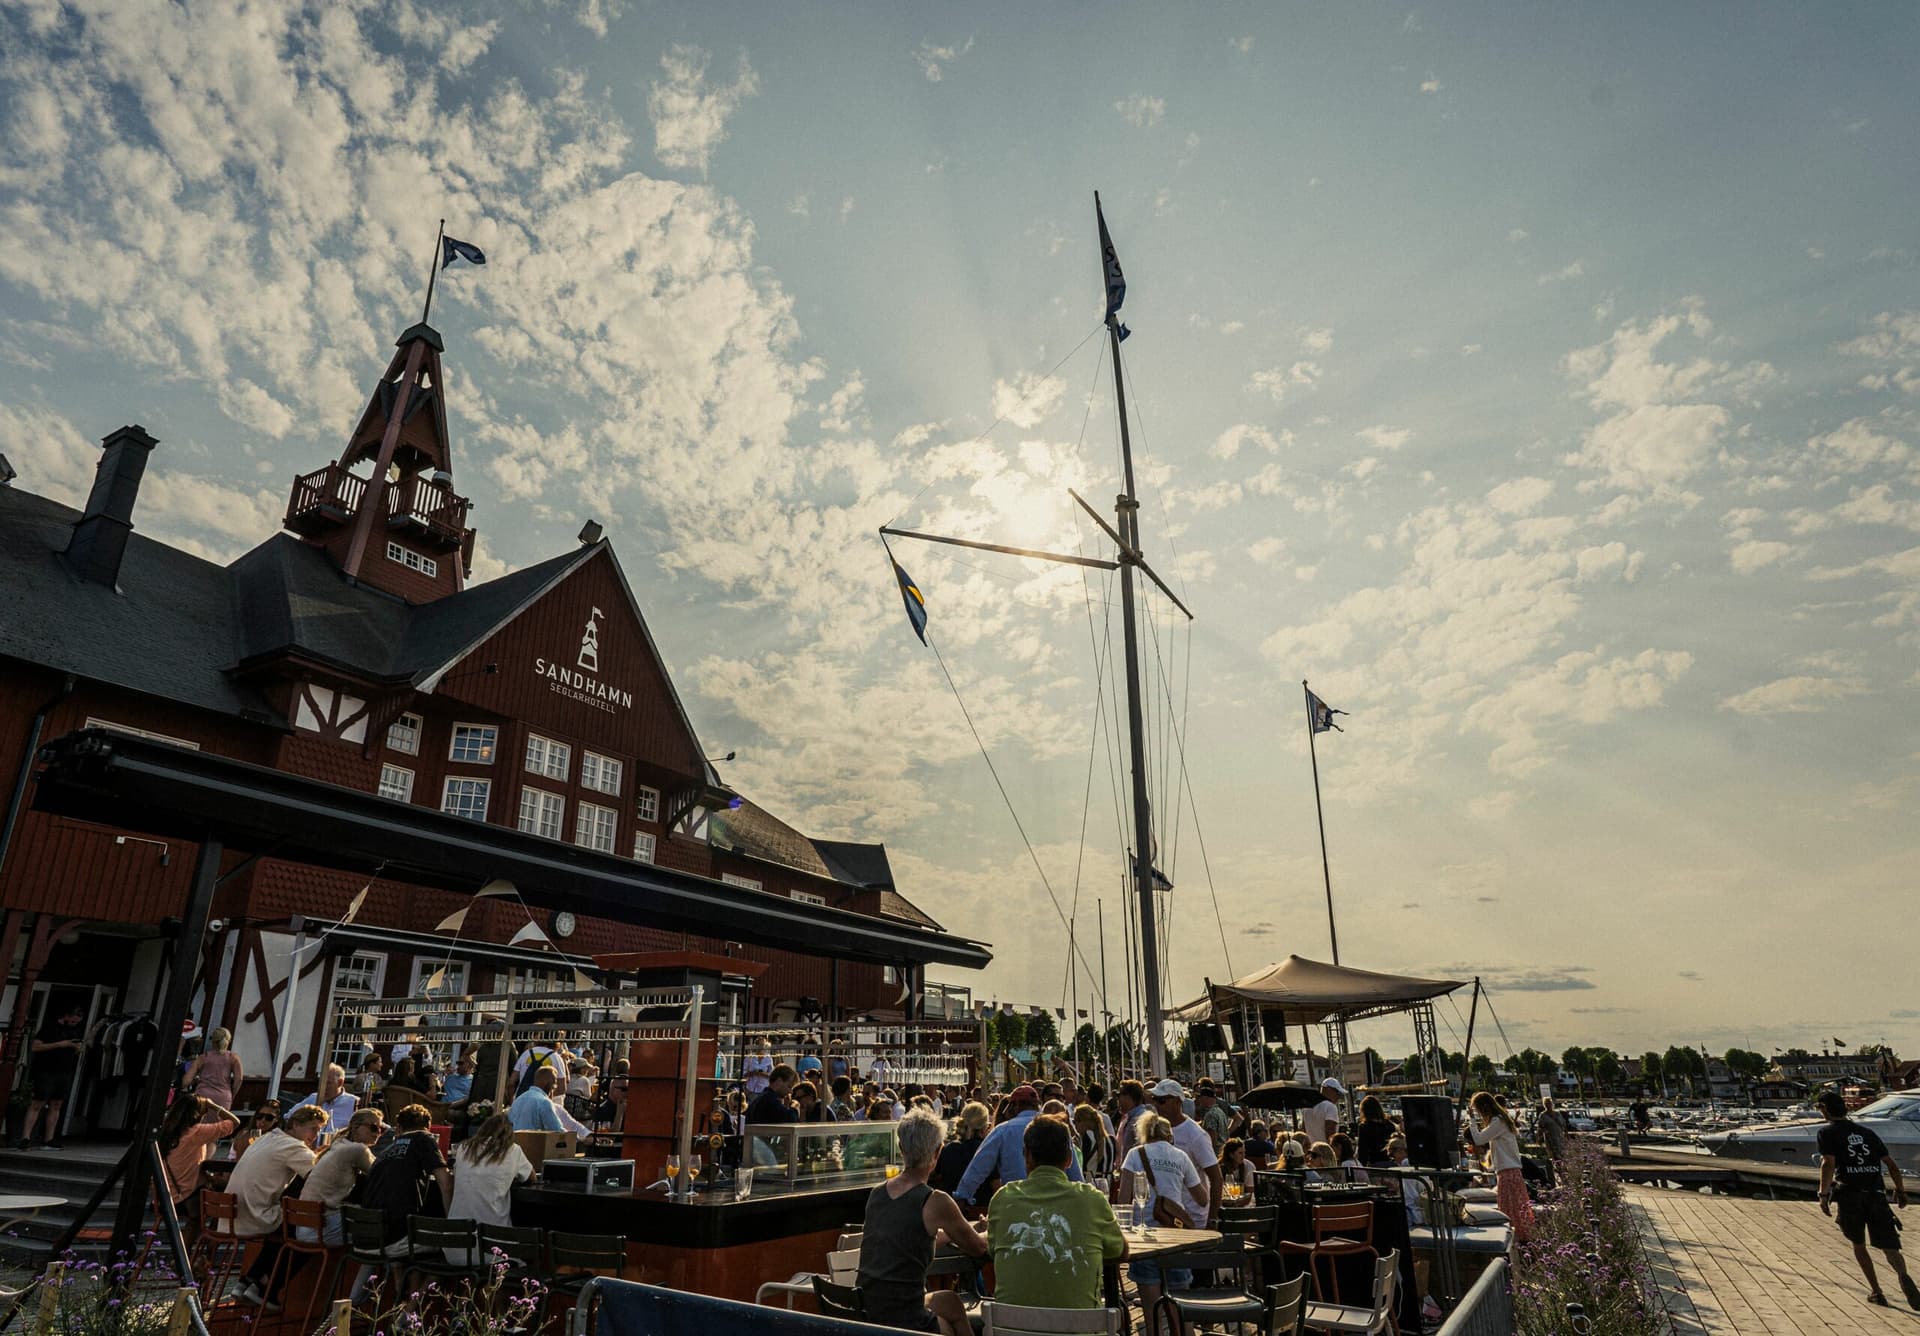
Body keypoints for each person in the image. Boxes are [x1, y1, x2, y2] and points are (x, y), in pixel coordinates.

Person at [857, 1108, 989, 1335]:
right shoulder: (936, 1201)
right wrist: (990, 1230)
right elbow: (977, 1247)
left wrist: (970, 1228)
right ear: (938, 1152)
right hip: (905, 1316)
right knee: (946, 1324)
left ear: (901, 1148)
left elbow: (910, 1236)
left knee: (951, 1302)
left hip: (870, 1309)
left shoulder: (877, 1193)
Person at [991, 1112, 1128, 1309]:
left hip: (1011, 1329)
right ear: (1070, 1159)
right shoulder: (1091, 1199)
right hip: (1082, 1330)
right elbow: (1121, 1252)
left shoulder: (1004, 1199)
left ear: (1027, 1155)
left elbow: (990, 1247)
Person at [1816, 1087, 1920, 1309]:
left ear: (1825, 1109)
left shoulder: (1827, 1133)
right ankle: (1903, 1275)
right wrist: (1901, 1191)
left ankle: (1877, 1291)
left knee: (1859, 1243)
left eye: (1819, 1107)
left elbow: (1828, 1163)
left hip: (1850, 1195)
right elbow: (1891, 1165)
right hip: (1876, 1195)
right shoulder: (1867, 1133)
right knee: (1889, 1245)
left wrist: (1823, 1194)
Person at [228, 1104, 326, 1311]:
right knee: (305, 1232)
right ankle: (267, 1287)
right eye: (313, 1129)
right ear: (296, 1125)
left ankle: (249, 1280)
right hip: (255, 1215)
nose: (316, 1134)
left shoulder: (268, 1137)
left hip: (231, 1212)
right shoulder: (293, 1147)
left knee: (288, 1222)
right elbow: (320, 1175)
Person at [1120, 1113, 1207, 1317]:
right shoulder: (1180, 1156)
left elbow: (1123, 1199)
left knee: (1151, 1312)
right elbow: (1202, 1198)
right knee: (1181, 1312)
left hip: (1145, 1238)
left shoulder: (1135, 1154)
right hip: (1175, 1236)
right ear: (1170, 1135)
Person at [954, 1085, 1084, 1209]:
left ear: (1015, 1105)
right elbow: (1075, 1173)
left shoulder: (1003, 1130)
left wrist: (963, 1195)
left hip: (1015, 1203)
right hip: (1055, 1203)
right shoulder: (1056, 1128)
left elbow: (979, 1166)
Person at [445, 1113, 533, 1263]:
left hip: (454, 1247)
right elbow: (531, 1177)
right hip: (493, 1250)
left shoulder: (463, 1148)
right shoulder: (512, 1150)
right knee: (525, 1258)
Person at [361, 1103, 452, 1245]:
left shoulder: (386, 1151)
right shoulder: (424, 1138)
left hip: (367, 1237)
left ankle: (393, 1265)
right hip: (399, 1237)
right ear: (428, 1127)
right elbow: (446, 1183)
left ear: (399, 1128)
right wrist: (451, 1222)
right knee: (445, 1246)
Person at [299, 1108, 384, 1246]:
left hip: (303, 1227)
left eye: (382, 1129)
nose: (378, 1133)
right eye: (374, 1128)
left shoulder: (339, 1143)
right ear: (356, 1127)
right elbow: (382, 1173)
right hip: (319, 1231)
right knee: (381, 1231)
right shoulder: (357, 1149)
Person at [1145, 1078, 1223, 1224]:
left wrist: (1212, 1219)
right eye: (1155, 1099)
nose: (1156, 1105)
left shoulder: (1196, 1135)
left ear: (1177, 1102)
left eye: (1162, 1101)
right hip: (1163, 1215)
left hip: (1191, 1218)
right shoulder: (1153, 1130)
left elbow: (1216, 1178)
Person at [1466, 1091, 1533, 1243]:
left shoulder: (1498, 1122)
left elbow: (1478, 1139)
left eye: (1477, 1110)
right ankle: (1523, 1241)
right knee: (1516, 1208)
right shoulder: (1502, 1120)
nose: (1478, 1113)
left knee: (1509, 1210)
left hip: (1507, 1171)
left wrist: (1471, 1120)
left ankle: (1517, 1241)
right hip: (1510, 1171)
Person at [17, 1000, 86, 1149]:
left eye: (77, 1022)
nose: (74, 1023)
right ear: (67, 1016)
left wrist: (77, 1048)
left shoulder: (74, 1030)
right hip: (46, 1071)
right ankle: (25, 1137)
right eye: (73, 1020)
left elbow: (76, 1049)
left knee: (56, 1104)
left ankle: (49, 1139)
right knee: (37, 1102)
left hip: (64, 1071)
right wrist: (60, 1044)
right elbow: (35, 1047)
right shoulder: (50, 1027)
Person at [158, 1094, 239, 1210]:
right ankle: (212, 1225)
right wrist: (213, 1106)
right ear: (196, 1113)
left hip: (164, 1197)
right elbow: (234, 1122)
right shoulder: (196, 1132)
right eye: (204, 1110)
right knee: (230, 1194)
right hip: (184, 1197)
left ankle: (200, 1225)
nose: (205, 1114)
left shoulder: (167, 1132)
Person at [931, 1101, 991, 1194]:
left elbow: (934, 1176)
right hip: (981, 1206)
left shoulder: (948, 1150)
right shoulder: (987, 1150)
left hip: (951, 1204)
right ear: (984, 1127)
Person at [510, 1066, 587, 1134]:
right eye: (554, 1083)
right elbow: (557, 1131)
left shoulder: (518, 1099)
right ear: (547, 1082)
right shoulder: (544, 1102)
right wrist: (579, 1139)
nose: (555, 1087)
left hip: (516, 1146)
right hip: (534, 1147)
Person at [290, 1063, 359, 1135]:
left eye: (328, 1083)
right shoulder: (314, 1098)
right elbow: (289, 1116)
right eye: (321, 1083)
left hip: (337, 1144)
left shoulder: (354, 1103)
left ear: (339, 1083)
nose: (323, 1087)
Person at [184, 1027, 243, 1112]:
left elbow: (186, 1081)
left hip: (202, 1096)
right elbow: (239, 1079)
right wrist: (231, 1094)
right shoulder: (233, 1058)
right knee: (218, 1124)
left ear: (213, 1041)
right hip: (223, 1097)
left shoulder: (203, 1057)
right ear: (228, 1041)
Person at [1074, 1102, 1115, 1180]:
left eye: (1074, 1121)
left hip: (1088, 1185)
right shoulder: (1111, 1140)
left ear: (1082, 1122)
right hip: (1107, 1185)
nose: (1074, 1125)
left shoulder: (1083, 1139)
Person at [1355, 1095, 1393, 1167]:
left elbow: (1363, 1150)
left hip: (1374, 1164)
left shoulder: (1364, 1127)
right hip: (1390, 1162)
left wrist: (1361, 1167)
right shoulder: (1389, 1125)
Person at [1304, 1077, 1344, 1146]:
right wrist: (1333, 1149)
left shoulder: (1307, 1107)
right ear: (1328, 1089)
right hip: (1326, 1150)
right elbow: (1330, 1131)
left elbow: (1304, 1130)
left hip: (1313, 1150)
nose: (1338, 1097)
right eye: (1337, 1092)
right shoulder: (1330, 1107)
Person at [1196, 1085, 1232, 1152]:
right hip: (1224, 1149)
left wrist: (1211, 1152)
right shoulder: (1220, 1111)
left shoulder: (1210, 1114)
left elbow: (1212, 1136)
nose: (1199, 1100)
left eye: (1200, 1097)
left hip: (1216, 1152)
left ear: (1207, 1098)